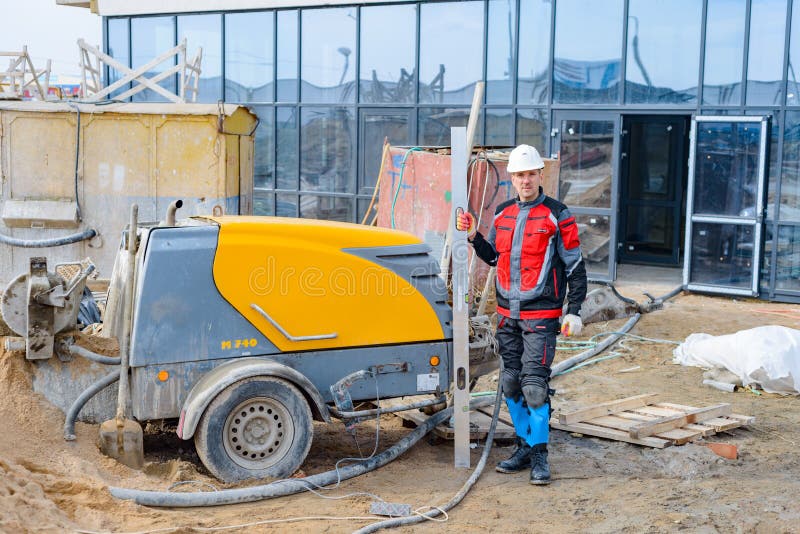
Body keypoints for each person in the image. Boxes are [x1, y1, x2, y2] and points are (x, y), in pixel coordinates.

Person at [456, 144, 587, 485]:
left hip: (542, 316)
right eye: (519, 175)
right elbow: (494, 258)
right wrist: (473, 236)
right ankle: (524, 446)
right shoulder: (502, 214)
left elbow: (575, 267)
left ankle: (540, 457)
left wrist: (574, 310)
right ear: (511, 179)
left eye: (531, 174)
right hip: (507, 316)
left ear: (540, 175)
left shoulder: (558, 215)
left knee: (534, 386)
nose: (525, 180)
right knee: (511, 383)